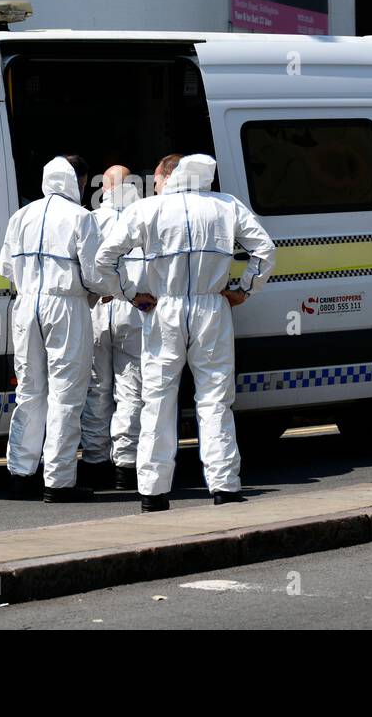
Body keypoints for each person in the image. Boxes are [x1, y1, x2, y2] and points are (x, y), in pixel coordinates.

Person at [96, 153, 276, 512]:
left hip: (164, 308)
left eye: (157, 179)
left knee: (158, 399)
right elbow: (265, 249)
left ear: (167, 174)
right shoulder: (227, 206)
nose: (155, 185)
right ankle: (224, 484)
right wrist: (244, 288)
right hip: (212, 307)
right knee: (214, 398)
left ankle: (152, 490)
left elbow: (105, 258)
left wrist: (130, 294)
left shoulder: (149, 209)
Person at [0, 154, 108, 503]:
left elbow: (5, 267)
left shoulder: (20, 216)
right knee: (66, 393)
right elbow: (93, 275)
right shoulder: (82, 218)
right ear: (74, 182)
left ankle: (20, 473)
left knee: (29, 391)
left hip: (26, 304)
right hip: (66, 305)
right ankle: (59, 481)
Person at [79, 165, 146, 491]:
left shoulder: (89, 220)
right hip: (132, 308)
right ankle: (126, 465)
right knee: (131, 390)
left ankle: (94, 461)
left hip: (96, 308)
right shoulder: (144, 216)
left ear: (103, 187)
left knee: (97, 389)